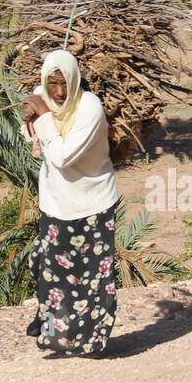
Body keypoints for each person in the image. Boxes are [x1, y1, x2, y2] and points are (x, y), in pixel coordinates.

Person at [18, 49, 119, 356]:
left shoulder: (89, 108)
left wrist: (43, 117)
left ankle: (92, 343)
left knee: (93, 282)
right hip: (56, 204)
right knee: (49, 273)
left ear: (75, 81)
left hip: (93, 205)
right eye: (53, 85)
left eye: (65, 84)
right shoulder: (42, 97)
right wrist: (29, 122)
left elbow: (62, 156)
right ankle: (56, 336)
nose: (59, 92)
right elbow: (33, 141)